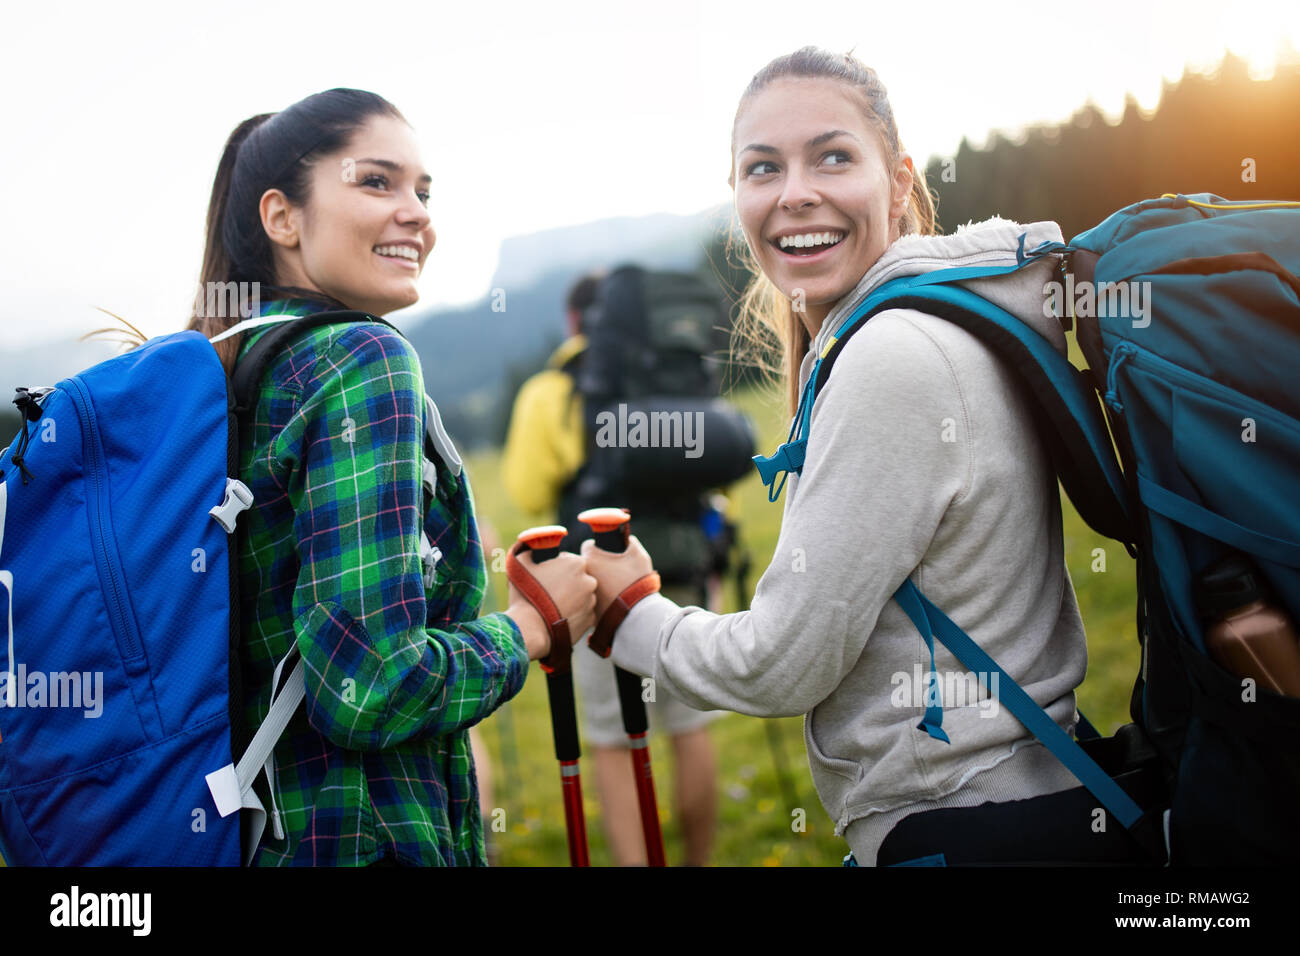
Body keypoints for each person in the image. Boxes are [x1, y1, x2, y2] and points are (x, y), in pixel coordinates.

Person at [581, 47, 1119, 867]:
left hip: (965, 825)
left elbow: (780, 666)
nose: (795, 191)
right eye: (763, 168)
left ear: (899, 181)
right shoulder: (945, 319)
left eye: (832, 156)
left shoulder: (894, 357)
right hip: (1021, 801)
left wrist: (629, 614)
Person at [187, 88, 596, 866]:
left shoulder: (227, 365)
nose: (417, 213)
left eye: (424, 190)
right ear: (283, 218)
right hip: (362, 836)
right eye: (377, 182)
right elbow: (369, 684)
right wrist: (531, 630)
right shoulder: (361, 359)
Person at [502, 274, 721, 866]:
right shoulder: (672, 376)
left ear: (576, 322)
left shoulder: (553, 390)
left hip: (600, 594)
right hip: (682, 572)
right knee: (688, 729)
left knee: (614, 742)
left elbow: (527, 487)